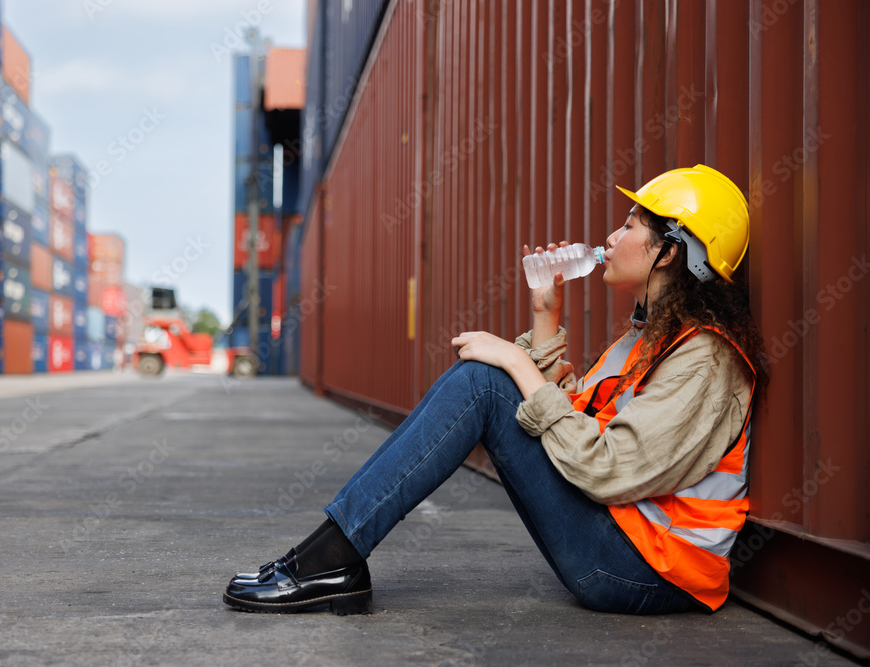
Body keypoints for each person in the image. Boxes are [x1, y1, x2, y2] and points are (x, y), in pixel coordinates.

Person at [223, 164, 768, 616]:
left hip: (650, 573)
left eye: (628, 226)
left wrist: (514, 358)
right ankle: (330, 555)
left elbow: (608, 468)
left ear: (669, 251)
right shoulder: (649, 336)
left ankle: (331, 559)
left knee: (485, 382)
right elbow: (569, 416)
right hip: (623, 541)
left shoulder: (706, 360)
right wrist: (545, 316)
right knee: (488, 380)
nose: (610, 238)